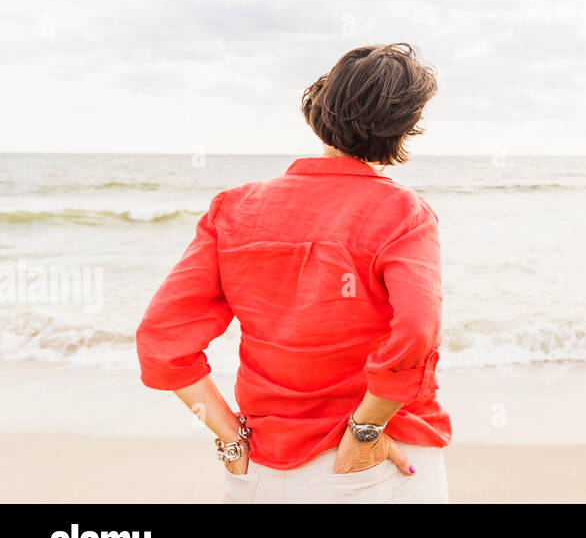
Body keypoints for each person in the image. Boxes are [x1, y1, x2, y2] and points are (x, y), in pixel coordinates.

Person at [135, 43, 450, 503]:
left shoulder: (236, 208)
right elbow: (417, 333)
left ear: (319, 109)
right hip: (373, 466)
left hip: (258, 469)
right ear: (405, 130)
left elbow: (161, 339)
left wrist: (230, 438)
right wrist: (365, 430)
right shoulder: (402, 213)